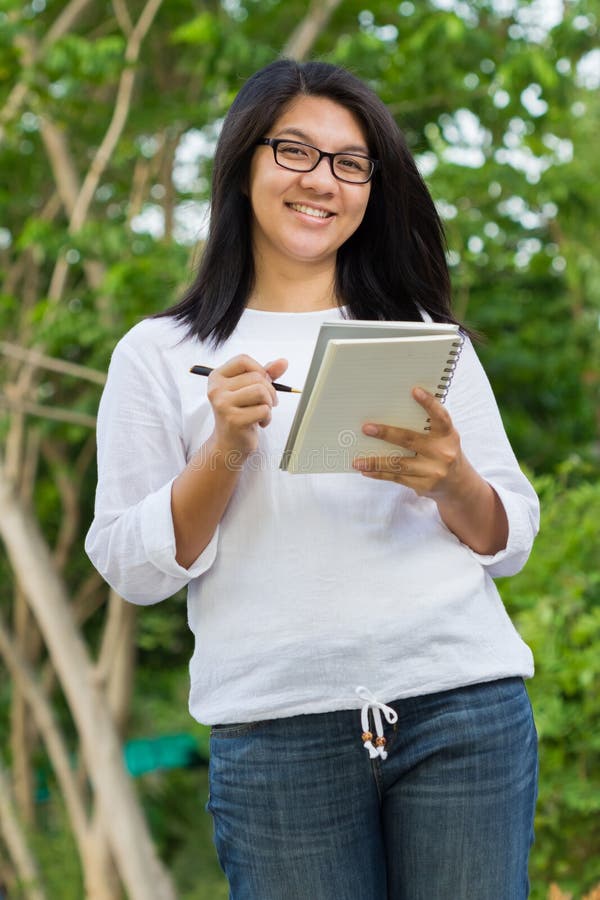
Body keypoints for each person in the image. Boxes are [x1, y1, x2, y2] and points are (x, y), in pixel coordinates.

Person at [86, 59, 539, 899]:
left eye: (350, 162)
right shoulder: (159, 354)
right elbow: (129, 565)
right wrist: (223, 449)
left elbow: (506, 537)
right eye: (295, 151)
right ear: (243, 163)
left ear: (372, 185)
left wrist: (452, 480)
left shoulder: (425, 336)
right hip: (276, 737)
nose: (322, 181)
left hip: (462, 709)